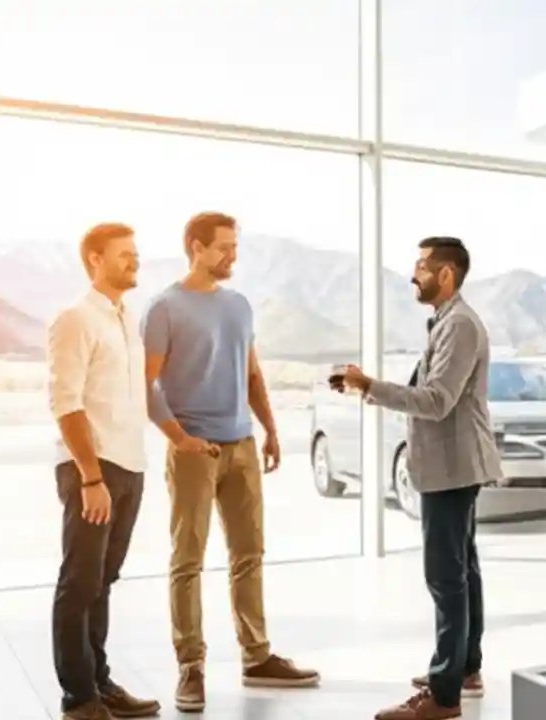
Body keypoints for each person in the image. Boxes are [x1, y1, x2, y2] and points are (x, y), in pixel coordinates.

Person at [142, 211, 320, 714]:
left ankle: (256, 656)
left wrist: (270, 429)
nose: (232, 256)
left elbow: (252, 373)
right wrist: (180, 438)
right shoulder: (164, 308)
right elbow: (147, 384)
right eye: (223, 247)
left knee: (249, 554)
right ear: (195, 247)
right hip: (194, 451)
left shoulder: (239, 305)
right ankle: (191, 667)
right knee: (188, 560)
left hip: (242, 444)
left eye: (235, 246)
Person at [341, 237, 502, 720]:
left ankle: (444, 694)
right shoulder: (448, 322)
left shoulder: (460, 325)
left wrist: (369, 386)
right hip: (453, 466)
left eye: (422, 266)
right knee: (463, 570)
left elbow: (436, 401)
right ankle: (465, 668)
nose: (415, 275)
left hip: (452, 469)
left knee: (445, 577)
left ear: (446, 274)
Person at [48, 223, 161, 720]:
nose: (134, 261)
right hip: (94, 470)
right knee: (79, 583)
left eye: (135, 253)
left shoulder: (125, 318)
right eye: (123, 254)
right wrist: (91, 478)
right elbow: (66, 404)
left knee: (103, 581)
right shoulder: (75, 319)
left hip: (130, 465)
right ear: (95, 259)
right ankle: (78, 699)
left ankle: (100, 681)